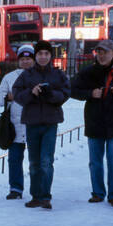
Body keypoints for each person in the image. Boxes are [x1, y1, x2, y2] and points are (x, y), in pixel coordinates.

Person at [69, 39, 113, 206]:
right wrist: (90, 93)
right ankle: (98, 193)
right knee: (95, 161)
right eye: (99, 52)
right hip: (94, 121)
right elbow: (72, 90)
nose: (101, 55)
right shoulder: (88, 72)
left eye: (105, 52)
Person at [11, 40, 70, 209]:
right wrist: (32, 92)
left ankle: (45, 196)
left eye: (46, 54)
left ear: (51, 56)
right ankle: (35, 195)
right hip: (32, 121)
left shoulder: (58, 74)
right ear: (36, 56)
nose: (43, 57)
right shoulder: (27, 75)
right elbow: (17, 95)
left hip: (51, 122)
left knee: (46, 160)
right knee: (34, 161)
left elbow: (65, 94)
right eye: (40, 54)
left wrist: (50, 93)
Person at [0, 45, 31, 199]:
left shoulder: (39, 76)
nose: (26, 62)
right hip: (14, 126)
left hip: (34, 123)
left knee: (36, 161)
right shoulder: (9, 77)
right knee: (14, 159)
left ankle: (38, 191)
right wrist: (7, 96)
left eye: (28, 59)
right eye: (23, 59)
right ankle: (15, 188)